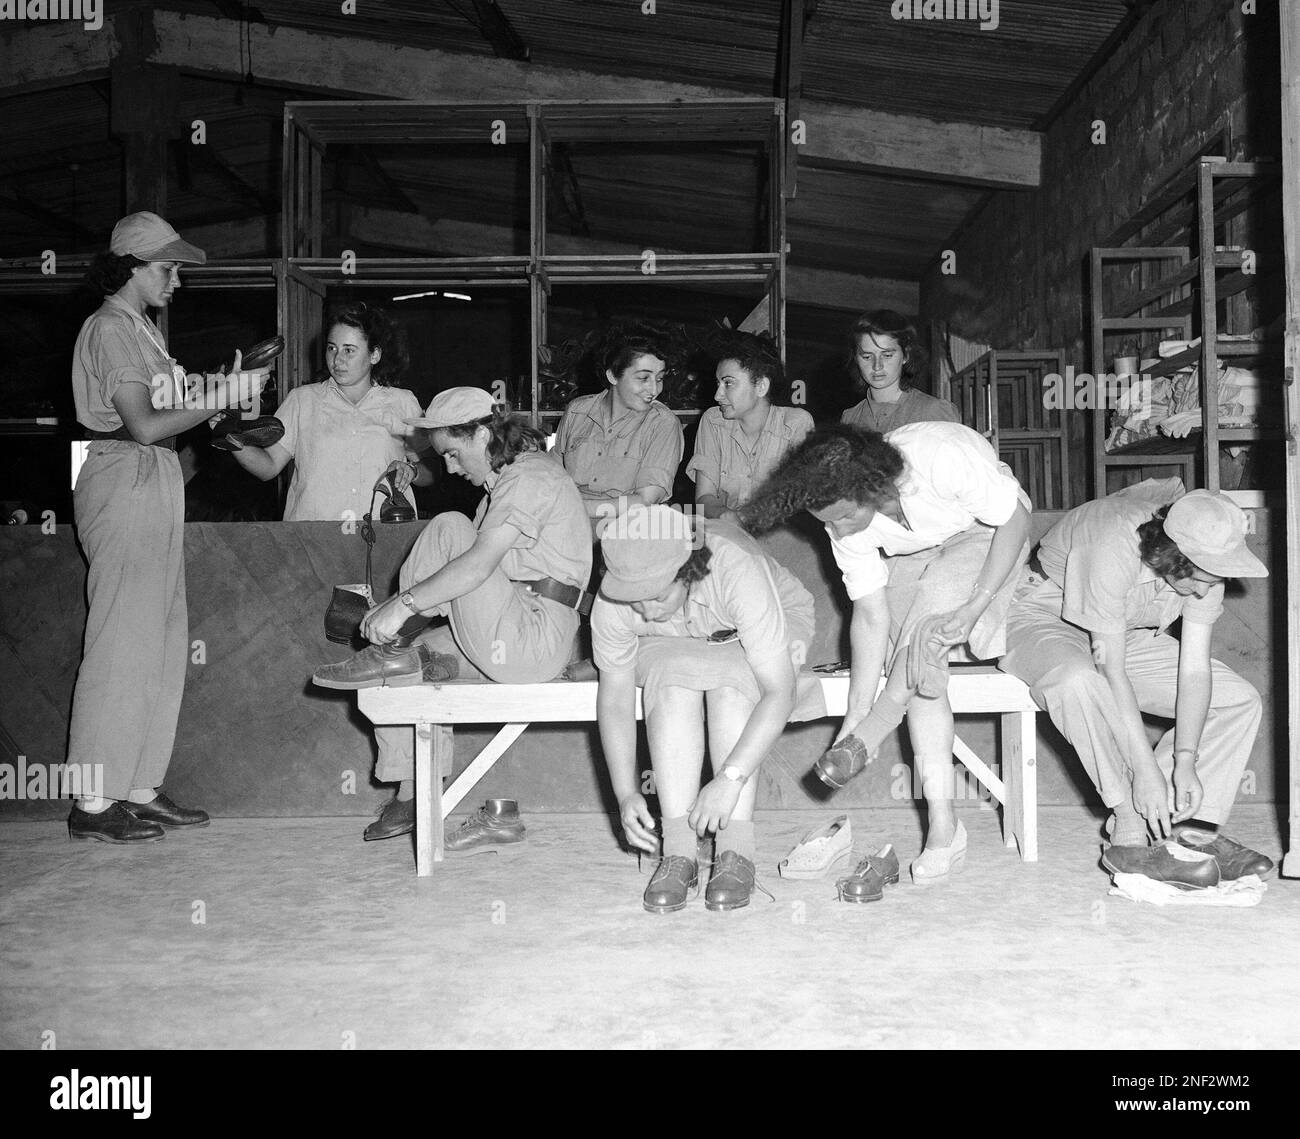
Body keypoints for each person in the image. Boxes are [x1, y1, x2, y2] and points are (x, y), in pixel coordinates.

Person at [741, 421, 1031, 885]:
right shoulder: (841, 519)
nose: (835, 530)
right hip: (916, 558)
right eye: (826, 522)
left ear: (872, 487)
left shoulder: (939, 455)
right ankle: (945, 825)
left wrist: (977, 603)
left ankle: (874, 736)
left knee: (927, 625)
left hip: (989, 535)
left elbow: (1014, 517)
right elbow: (871, 615)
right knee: (918, 670)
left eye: (842, 517)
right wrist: (852, 714)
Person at [313, 387, 592, 850]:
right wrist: (408, 610)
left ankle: (389, 644)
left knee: (449, 527)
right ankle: (411, 788)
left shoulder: (532, 477)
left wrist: (402, 605)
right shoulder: (497, 490)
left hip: (533, 636)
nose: (448, 466)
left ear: (483, 434)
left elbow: (477, 566)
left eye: (453, 452)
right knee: (405, 666)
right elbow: (466, 587)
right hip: (505, 624)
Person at [67, 211, 268, 843]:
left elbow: (169, 421)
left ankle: (137, 788)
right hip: (123, 476)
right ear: (129, 267)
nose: (176, 279)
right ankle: (92, 803)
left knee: (158, 641)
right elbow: (145, 424)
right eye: (167, 267)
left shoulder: (143, 333)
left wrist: (220, 399)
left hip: (154, 481)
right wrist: (221, 392)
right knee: (121, 644)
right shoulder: (108, 329)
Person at [998, 479, 1273, 879]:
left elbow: (1194, 670)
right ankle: (1129, 820)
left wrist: (1185, 760)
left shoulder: (1209, 569)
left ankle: (1181, 829)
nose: (1205, 590)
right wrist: (1145, 775)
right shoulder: (1110, 542)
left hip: (1120, 632)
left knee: (1237, 699)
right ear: (1171, 555)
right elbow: (1111, 672)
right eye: (1199, 578)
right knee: (1078, 680)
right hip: (1042, 614)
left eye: (1213, 581)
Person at [592, 504, 823, 913]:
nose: (644, 610)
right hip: (677, 637)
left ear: (687, 570)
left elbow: (779, 692)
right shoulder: (619, 595)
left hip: (760, 623)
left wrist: (729, 780)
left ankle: (736, 849)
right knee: (670, 684)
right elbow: (614, 700)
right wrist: (625, 792)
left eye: (656, 594)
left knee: (731, 688)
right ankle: (679, 851)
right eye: (633, 599)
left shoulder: (736, 569)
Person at [226, 301, 433, 521]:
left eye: (349, 350)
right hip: (312, 539)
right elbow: (267, 467)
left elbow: (432, 469)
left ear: (374, 355)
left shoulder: (402, 401)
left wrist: (413, 471)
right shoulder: (302, 400)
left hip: (382, 536)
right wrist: (228, 435)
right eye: (331, 348)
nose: (337, 359)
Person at [554, 320, 684, 528]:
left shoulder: (662, 424)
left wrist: (576, 507)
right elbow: (553, 473)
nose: (654, 390)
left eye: (660, 378)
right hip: (567, 523)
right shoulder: (577, 411)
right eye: (643, 378)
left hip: (628, 530)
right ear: (613, 375)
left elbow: (645, 501)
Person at [687, 332, 813, 524]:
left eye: (728, 383)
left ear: (761, 386)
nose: (717, 395)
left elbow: (800, 502)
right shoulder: (713, 421)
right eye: (718, 383)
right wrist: (728, 517)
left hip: (780, 538)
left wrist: (748, 520)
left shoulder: (796, 424)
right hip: (727, 534)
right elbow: (704, 499)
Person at [840, 310, 959, 431]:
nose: (877, 366)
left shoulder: (934, 411)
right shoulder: (850, 418)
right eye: (867, 357)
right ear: (856, 358)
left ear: (906, 355)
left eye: (887, 355)